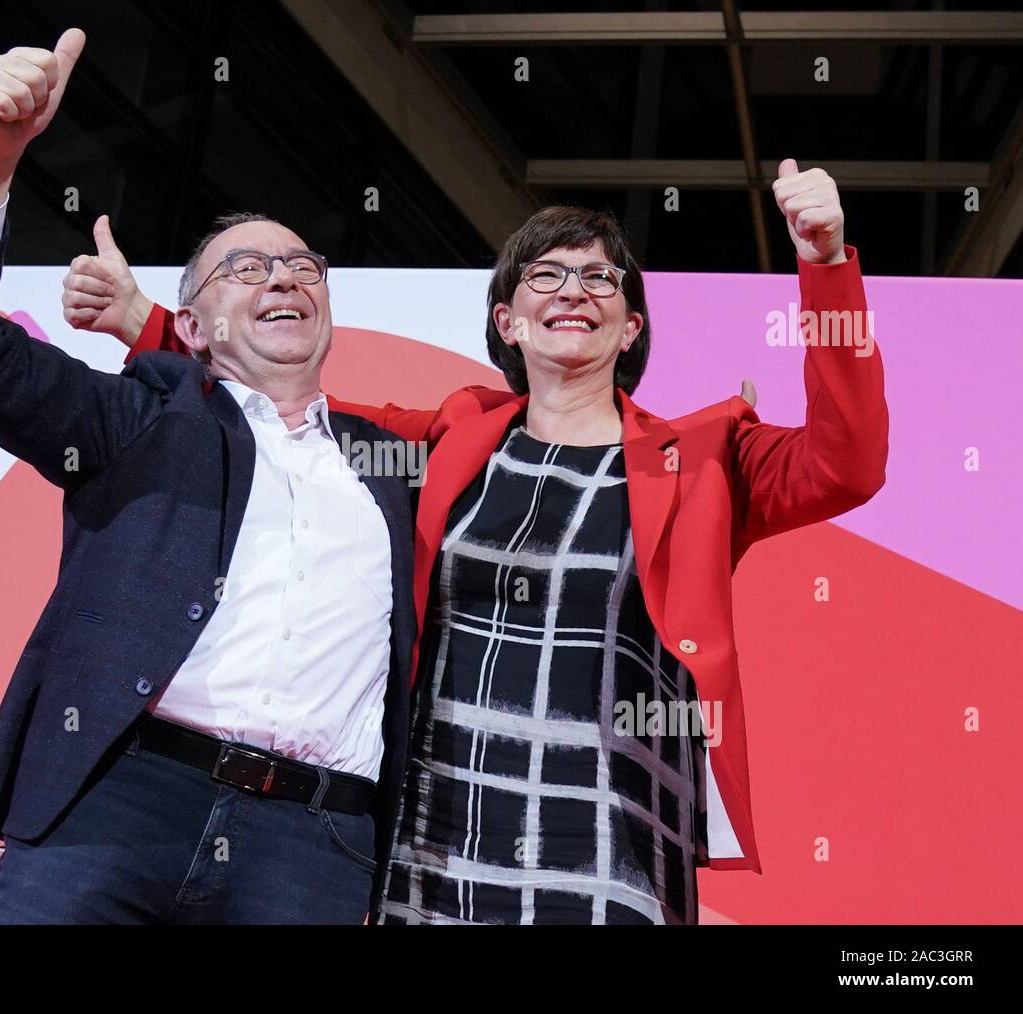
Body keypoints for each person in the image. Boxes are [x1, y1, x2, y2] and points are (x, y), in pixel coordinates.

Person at [68, 162, 888, 924]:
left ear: (630, 327)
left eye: (601, 277)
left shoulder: (706, 458)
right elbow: (291, 406)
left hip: (612, 842)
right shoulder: (453, 439)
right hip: (437, 833)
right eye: (546, 276)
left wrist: (824, 264)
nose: (575, 291)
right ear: (508, 322)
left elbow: (847, 462)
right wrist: (146, 323)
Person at [0, 28, 420, 924]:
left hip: (313, 849)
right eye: (247, 268)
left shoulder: (393, 469)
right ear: (190, 325)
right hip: (118, 806)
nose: (283, 279)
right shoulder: (142, 415)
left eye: (303, 266)